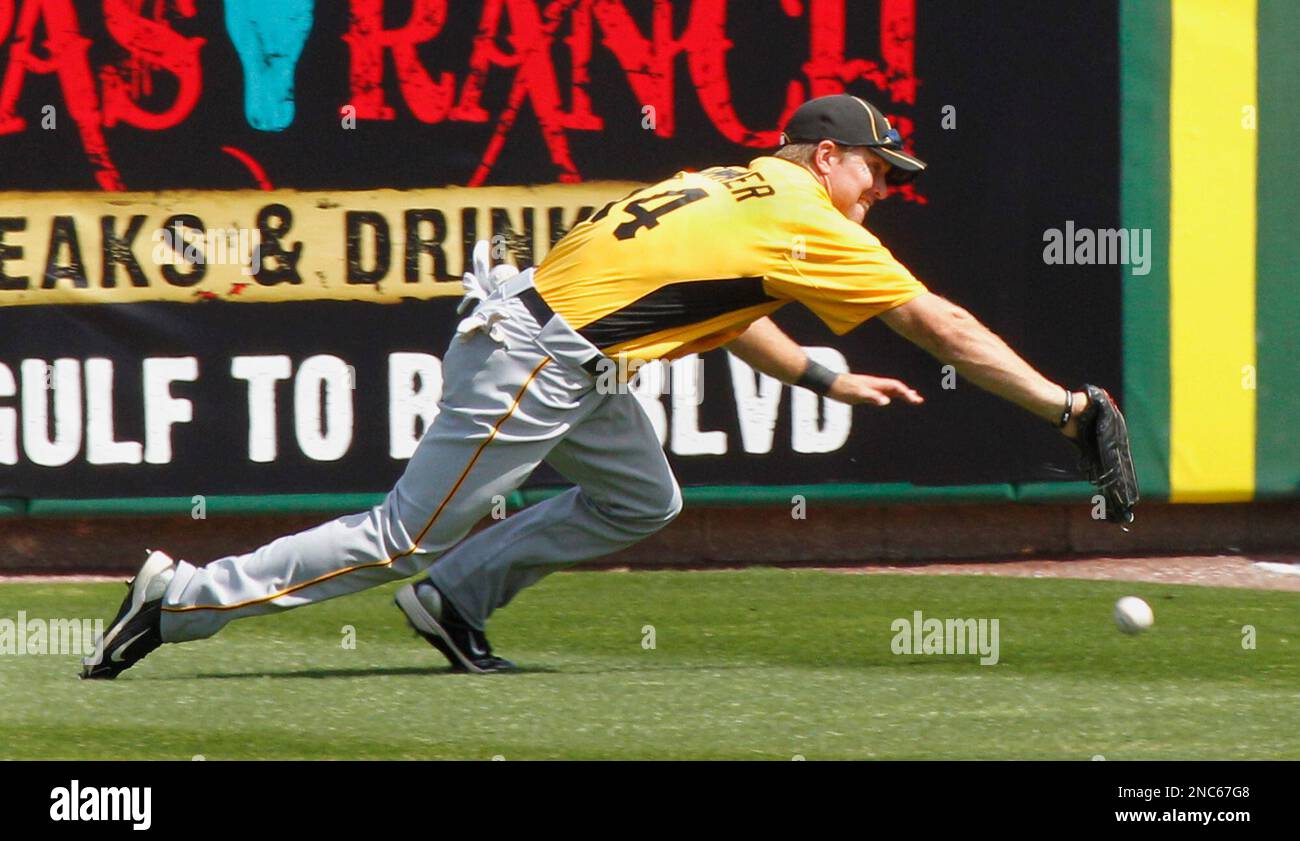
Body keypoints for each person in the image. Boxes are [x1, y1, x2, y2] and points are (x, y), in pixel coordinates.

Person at [82, 94, 1095, 679]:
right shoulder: (803, 215)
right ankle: (177, 602)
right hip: (537, 359)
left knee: (639, 497)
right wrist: (1062, 408)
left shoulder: (729, 183)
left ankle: (454, 601)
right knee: (401, 532)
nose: (884, 190)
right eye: (877, 172)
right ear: (825, 155)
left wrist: (821, 373)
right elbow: (943, 326)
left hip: (560, 352)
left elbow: (733, 310)